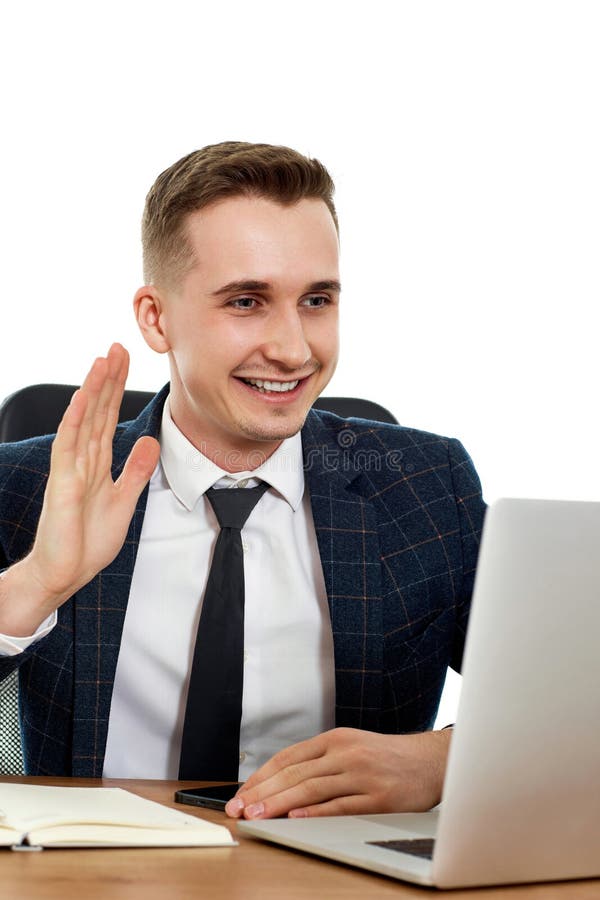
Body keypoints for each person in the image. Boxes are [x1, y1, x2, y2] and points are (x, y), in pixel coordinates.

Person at [0, 141, 485, 820]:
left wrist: (443, 761)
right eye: (247, 302)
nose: (293, 349)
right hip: (92, 877)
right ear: (156, 317)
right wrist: (34, 586)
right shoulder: (23, 489)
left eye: (316, 299)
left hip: (333, 882)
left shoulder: (429, 490)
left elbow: (571, 699)